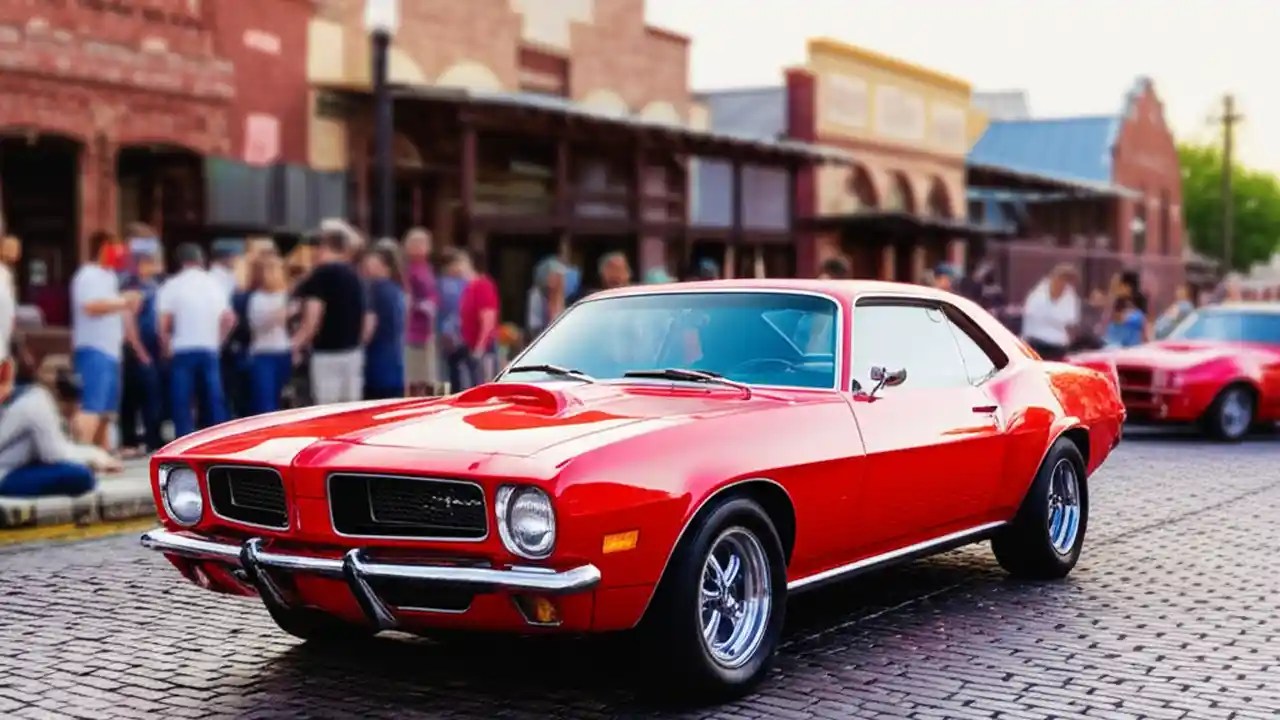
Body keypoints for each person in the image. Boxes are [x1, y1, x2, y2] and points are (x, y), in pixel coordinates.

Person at [0, 349, 121, 501]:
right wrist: (95, 457)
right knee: (81, 476)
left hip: (14, 466)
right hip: (6, 476)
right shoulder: (37, 400)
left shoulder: (21, 398)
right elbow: (54, 455)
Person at [70, 230, 139, 452]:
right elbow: (90, 306)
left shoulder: (110, 277)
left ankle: (102, 452)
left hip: (112, 350)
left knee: (107, 410)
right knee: (92, 404)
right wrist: (122, 302)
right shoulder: (87, 275)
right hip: (93, 348)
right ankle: (82, 450)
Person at [158, 243, 234, 438]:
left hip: (182, 347)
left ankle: (184, 437)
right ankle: (218, 438)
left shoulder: (172, 284)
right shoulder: (213, 283)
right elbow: (229, 318)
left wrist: (165, 345)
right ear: (201, 260)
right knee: (213, 396)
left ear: (180, 261)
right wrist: (218, 341)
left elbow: (164, 322)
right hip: (208, 347)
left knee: (182, 397)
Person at [292, 225, 368, 405]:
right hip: (353, 351)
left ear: (323, 247)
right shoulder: (355, 275)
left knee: (327, 410)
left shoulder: (320, 275)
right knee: (352, 409)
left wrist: (296, 343)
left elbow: (313, 317)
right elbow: (365, 316)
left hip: (327, 354)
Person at [119, 239, 165, 455]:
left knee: (152, 395)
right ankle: (131, 439)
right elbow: (128, 320)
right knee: (135, 395)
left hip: (153, 347)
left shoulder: (155, 285)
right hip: (138, 349)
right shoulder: (131, 285)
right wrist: (139, 349)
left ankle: (151, 436)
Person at [246, 253, 293, 414]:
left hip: (283, 349)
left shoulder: (285, 295)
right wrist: (282, 314)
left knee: (283, 397)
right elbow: (257, 324)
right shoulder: (256, 298)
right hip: (263, 352)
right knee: (265, 401)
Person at [361, 241, 407, 400]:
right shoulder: (398, 289)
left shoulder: (374, 289)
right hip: (395, 365)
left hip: (376, 366)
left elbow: (369, 327)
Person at [454, 249, 500, 389]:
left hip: (482, 350)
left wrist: (480, 347)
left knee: (482, 386)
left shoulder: (483, 285)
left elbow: (488, 319)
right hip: (469, 347)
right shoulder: (468, 287)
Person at [402, 228, 439, 396]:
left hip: (427, 330)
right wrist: (421, 305)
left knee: (427, 378)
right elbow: (406, 298)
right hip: (412, 331)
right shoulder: (407, 269)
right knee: (414, 378)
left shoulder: (426, 268)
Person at [1020, 264, 1080, 361]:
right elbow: (1033, 316)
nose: (1063, 284)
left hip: (1058, 347)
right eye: (1061, 279)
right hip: (1036, 343)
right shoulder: (1038, 294)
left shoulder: (1070, 296)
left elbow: (1071, 323)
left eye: (1066, 281)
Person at [436, 248, 468, 394]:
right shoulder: (445, 284)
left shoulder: (465, 283)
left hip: (463, 334)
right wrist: (446, 330)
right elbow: (447, 310)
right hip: (451, 333)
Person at [526, 256, 567, 340]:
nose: (558, 279)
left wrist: (558, 299)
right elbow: (534, 327)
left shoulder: (563, 294)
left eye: (559, 276)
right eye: (553, 275)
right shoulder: (536, 295)